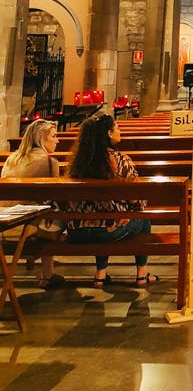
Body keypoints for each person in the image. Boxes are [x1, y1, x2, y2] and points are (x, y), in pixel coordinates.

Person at [66, 113, 159, 288]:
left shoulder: (78, 163)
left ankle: (100, 273)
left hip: (77, 230)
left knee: (99, 216)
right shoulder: (121, 160)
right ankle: (142, 273)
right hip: (107, 230)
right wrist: (129, 211)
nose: (120, 130)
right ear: (109, 133)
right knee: (142, 217)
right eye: (117, 127)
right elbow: (137, 199)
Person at [1, 119, 66, 289]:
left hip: (5, 219)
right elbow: (53, 198)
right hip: (26, 223)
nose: (57, 140)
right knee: (55, 216)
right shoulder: (49, 162)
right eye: (54, 136)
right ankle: (47, 274)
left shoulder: (12, 159)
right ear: (42, 139)